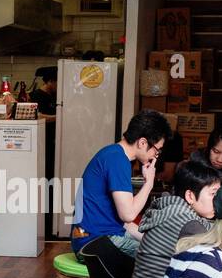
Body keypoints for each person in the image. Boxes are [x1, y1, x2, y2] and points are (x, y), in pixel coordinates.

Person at [72, 110, 172, 257]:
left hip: (93, 238)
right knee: (162, 258)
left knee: (161, 249)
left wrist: (152, 240)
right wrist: (149, 183)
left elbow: (123, 224)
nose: (155, 156)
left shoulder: (113, 154)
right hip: (94, 244)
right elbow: (128, 215)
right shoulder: (118, 161)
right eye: (157, 150)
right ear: (142, 142)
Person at [133, 154, 221, 278]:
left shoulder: (174, 208)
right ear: (190, 196)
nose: (218, 200)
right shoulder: (183, 218)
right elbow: (219, 249)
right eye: (213, 194)